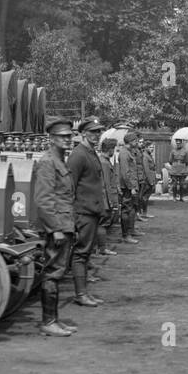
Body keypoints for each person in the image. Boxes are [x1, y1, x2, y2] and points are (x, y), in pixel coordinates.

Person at [31, 118, 79, 336]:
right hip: (57, 226)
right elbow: (44, 200)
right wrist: (55, 229)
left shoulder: (60, 160)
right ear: (52, 139)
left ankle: (53, 320)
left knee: (57, 272)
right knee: (52, 273)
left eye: (69, 136)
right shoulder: (48, 162)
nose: (68, 140)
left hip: (65, 223)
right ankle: (48, 322)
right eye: (63, 136)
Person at [66, 117, 107, 308]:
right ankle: (80, 294)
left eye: (98, 132)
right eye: (92, 132)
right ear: (82, 133)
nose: (96, 135)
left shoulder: (90, 153)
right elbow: (70, 186)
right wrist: (72, 215)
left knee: (86, 253)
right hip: (83, 211)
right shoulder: (79, 155)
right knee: (80, 254)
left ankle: (84, 293)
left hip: (92, 210)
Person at [99, 136, 123, 252]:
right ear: (109, 149)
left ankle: (102, 246)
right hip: (106, 199)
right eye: (113, 149)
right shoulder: (104, 163)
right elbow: (106, 184)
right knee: (103, 223)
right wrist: (111, 202)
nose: (114, 151)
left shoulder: (105, 161)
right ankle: (102, 248)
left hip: (108, 197)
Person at [116, 130, 142, 240]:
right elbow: (125, 173)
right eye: (135, 140)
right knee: (126, 210)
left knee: (132, 209)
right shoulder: (124, 153)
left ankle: (131, 230)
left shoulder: (130, 151)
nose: (137, 142)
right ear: (130, 141)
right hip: (127, 187)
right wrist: (131, 187)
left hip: (132, 185)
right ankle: (126, 235)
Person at [139, 140, 157, 218]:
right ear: (146, 147)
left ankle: (144, 212)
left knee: (146, 197)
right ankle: (143, 213)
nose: (152, 149)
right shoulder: (145, 156)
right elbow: (146, 169)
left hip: (151, 178)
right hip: (147, 179)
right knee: (144, 197)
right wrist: (150, 181)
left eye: (153, 147)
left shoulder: (149, 155)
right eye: (150, 147)